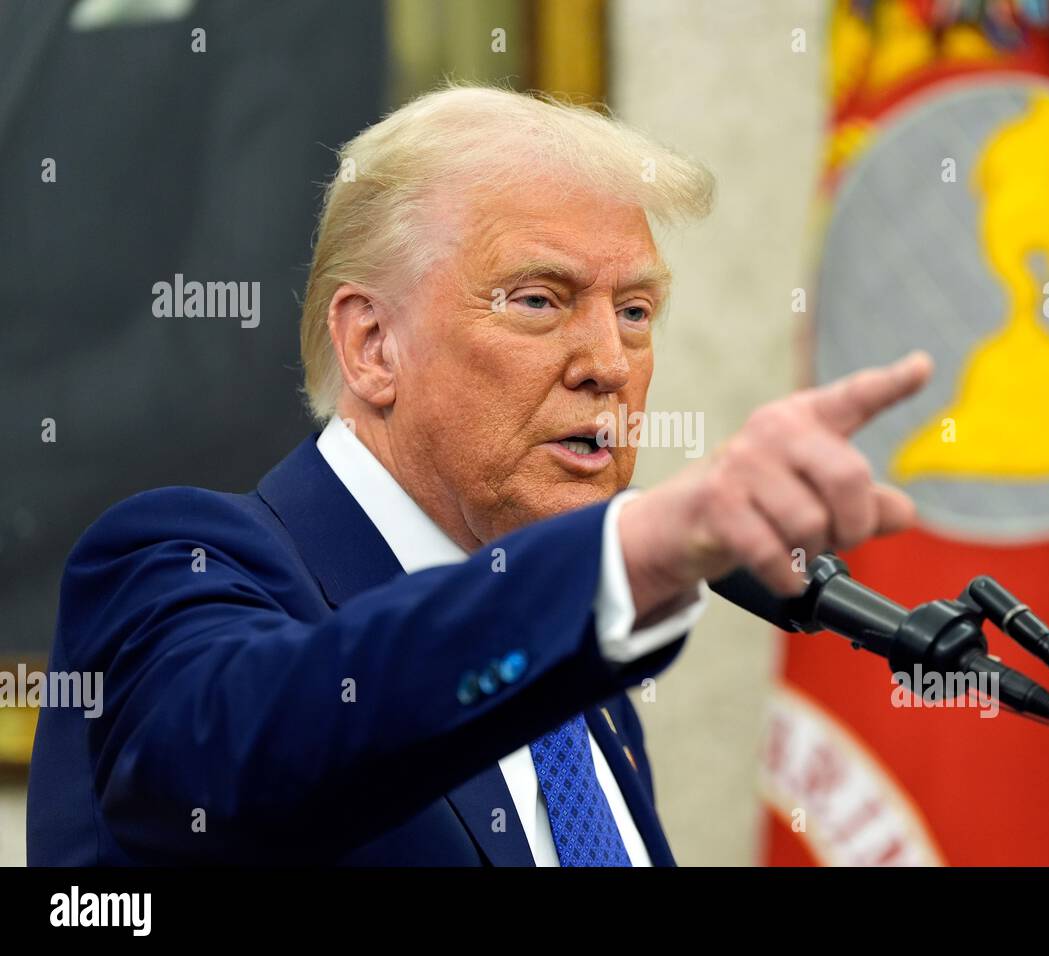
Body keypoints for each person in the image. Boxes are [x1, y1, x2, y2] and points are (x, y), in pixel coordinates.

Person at [27, 85, 932, 865]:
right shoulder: (179, 563)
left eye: (636, 310)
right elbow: (244, 750)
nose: (609, 363)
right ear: (374, 345)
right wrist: (631, 555)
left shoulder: (588, 698)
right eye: (541, 299)